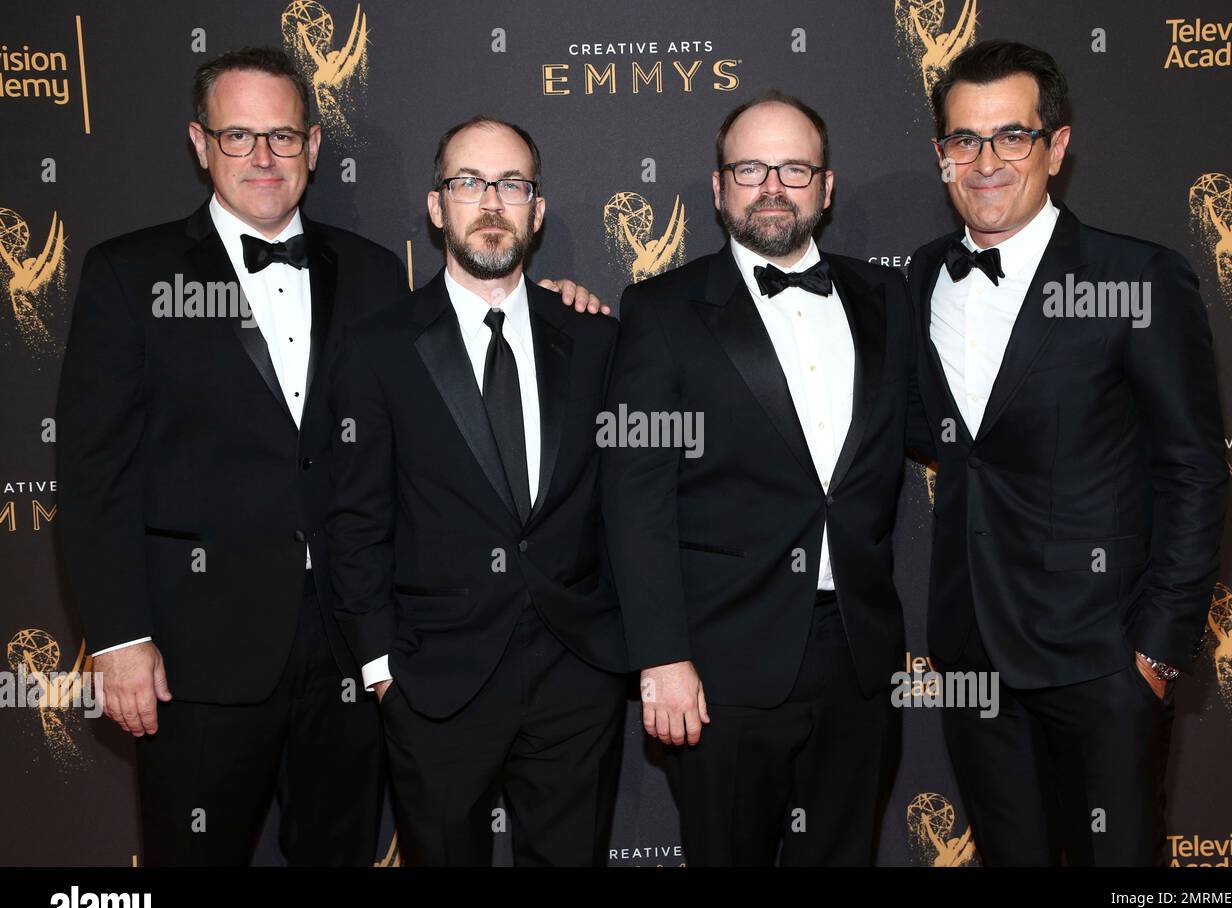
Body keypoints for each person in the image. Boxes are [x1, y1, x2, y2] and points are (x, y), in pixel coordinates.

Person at [56, 48, 603, 865]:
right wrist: (119, 639)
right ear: (200, 144)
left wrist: (557, 300)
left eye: (281, 135)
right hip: (199, 653)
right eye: (239, 136)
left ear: (314, 146)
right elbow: (94, 476)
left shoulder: (375, 273)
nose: (264, 157)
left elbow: (477, 316)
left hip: (355, 656)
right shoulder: (130, 275)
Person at [908, 39, 1228, 865]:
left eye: (1011, 136)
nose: (985, 162)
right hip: (974, 658)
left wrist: (1155, 649)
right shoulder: (920, 278)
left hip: (1102, 658)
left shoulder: (1140, 278)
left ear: (1056, 145)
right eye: (963, 140)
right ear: (941, 154)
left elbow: (1192, 470)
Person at [602, 91, 915, 866]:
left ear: (827, 186)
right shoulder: (661, 310)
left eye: (795, 167)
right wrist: (662, 658)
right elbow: (634, 500)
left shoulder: (887, 299)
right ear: (717, 187)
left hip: (859, 657)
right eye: (750, 167)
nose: (772, 184)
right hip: (719, 667)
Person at [327, 116, 628, 866]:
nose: (491, 201)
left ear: (537, 208)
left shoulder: (594, 337)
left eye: (512, 185)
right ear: (437, 207)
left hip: (576, 676)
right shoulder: (378, 347)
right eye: (469, 183)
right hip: (432, 680)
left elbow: (632, 503)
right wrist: (380, 670)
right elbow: (355, 517)